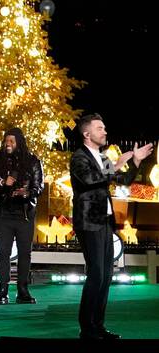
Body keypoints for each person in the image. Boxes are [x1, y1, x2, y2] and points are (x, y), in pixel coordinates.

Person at [71, 114, 153, 339]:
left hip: (106, 221)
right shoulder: (79, 157)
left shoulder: (103, 157)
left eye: (104, 127)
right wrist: (117, 165)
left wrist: (135, 162)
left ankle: (98, 325)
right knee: (96, 274)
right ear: (87, 134)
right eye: (99, 128)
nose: (104, 131)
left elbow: (123, 182)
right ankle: (86, 328)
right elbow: (90, 180)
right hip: (89, 221)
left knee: (106, 275)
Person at [0, 127, 44, 305]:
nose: (8, 144)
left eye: (11, 141)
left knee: (25, 253)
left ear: (19, 142)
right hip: (3, 213)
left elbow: (39, 186)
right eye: (6, 140)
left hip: (24, 213)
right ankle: (2, 290)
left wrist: (27, 193)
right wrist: (3, 182)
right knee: (3, 253)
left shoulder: (33, 161)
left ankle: (23, 290)